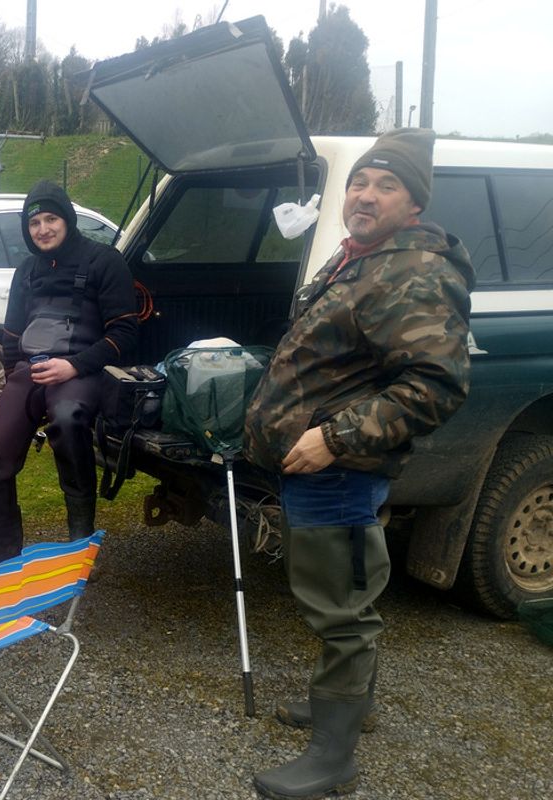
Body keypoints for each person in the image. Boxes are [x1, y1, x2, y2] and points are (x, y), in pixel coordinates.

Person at [244, 128, 474, 800]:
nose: (366, 194)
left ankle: (333, 760)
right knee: (339, 597)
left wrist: (334, 440)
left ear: (414, 203)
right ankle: (345, 707)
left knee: (341, 608)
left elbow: (436, 385)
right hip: (315, 468)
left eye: (386, 184)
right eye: (360, 182)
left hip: (338, 468)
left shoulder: (416, 270)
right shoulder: (359, 257)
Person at [0, 180, 139, 561]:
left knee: (67, 422)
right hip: (31, 373)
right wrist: (20, 374)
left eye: (51, 219)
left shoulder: (104, 260)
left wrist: (73, 366)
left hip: (83, 371)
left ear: (66, 218)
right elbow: (12, 334)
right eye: (34, 223)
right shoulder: (27, 270)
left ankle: (80, 546)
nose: (43, 229)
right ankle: (5, 552)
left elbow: (126, 332)